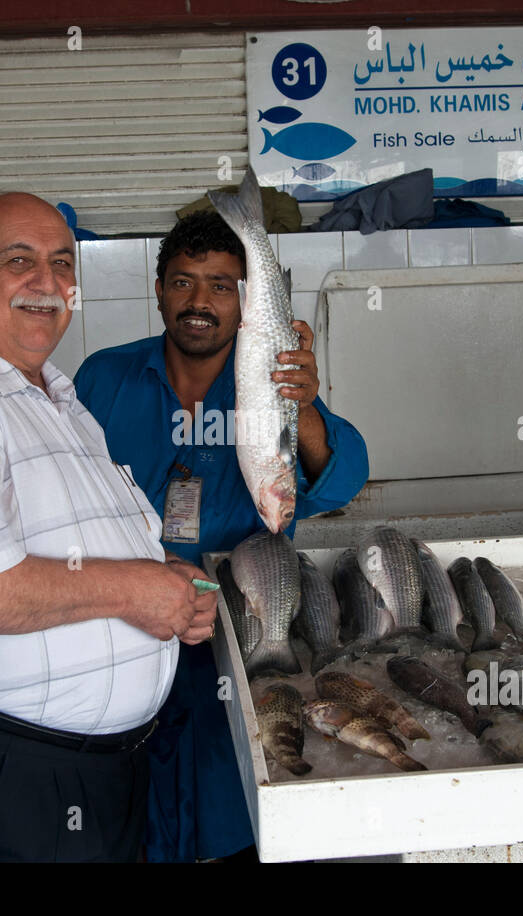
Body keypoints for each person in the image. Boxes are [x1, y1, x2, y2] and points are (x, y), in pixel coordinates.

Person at [0, 192, 218, 863]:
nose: (48, 282)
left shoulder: (54, 394)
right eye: (18, 260)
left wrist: (167, 584)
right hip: (16, 776)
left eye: (61, 262)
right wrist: (136, 592)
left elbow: (77, 545)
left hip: (99, 771)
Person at [73, 210, 370, 862]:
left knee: (237, 802)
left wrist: (307, 407)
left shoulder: (272, 380)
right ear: (158, 291)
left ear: (246, 298)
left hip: (246, 629)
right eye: (183, 282)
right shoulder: (104, 379)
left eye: (221, 284)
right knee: (134, 810)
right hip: (128, 631)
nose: (200, 301)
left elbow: (343, 477)